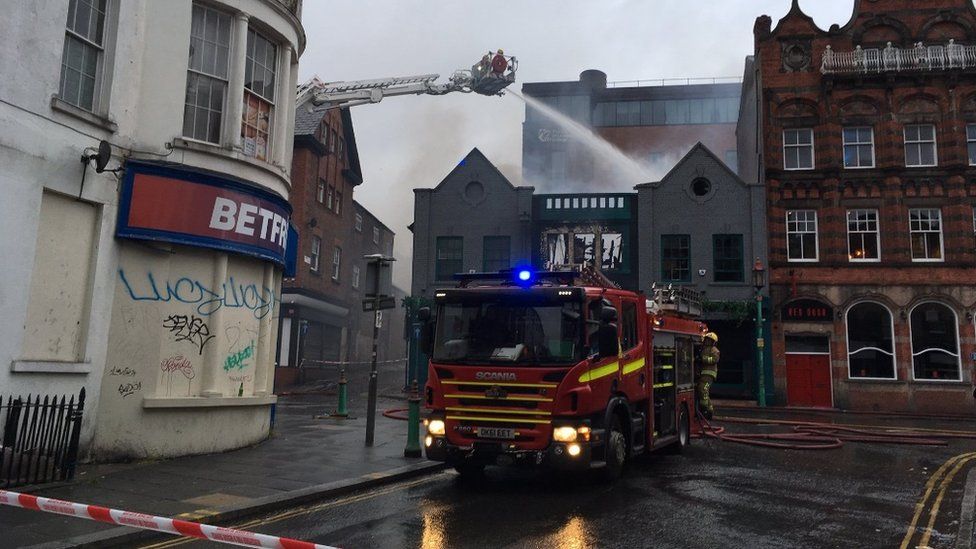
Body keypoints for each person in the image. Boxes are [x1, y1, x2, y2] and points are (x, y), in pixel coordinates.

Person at [697, 332, 720, 420]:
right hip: (703, 373)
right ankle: (709, 410)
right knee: (704, 391)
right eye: (707, 339)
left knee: (703, 389)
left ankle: (704, 408)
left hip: (709, 373)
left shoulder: (714, 350)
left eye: (710, 340)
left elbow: (715, 359)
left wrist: (703, 359)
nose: (707, 341)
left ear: (713, 342)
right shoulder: (703, 349)